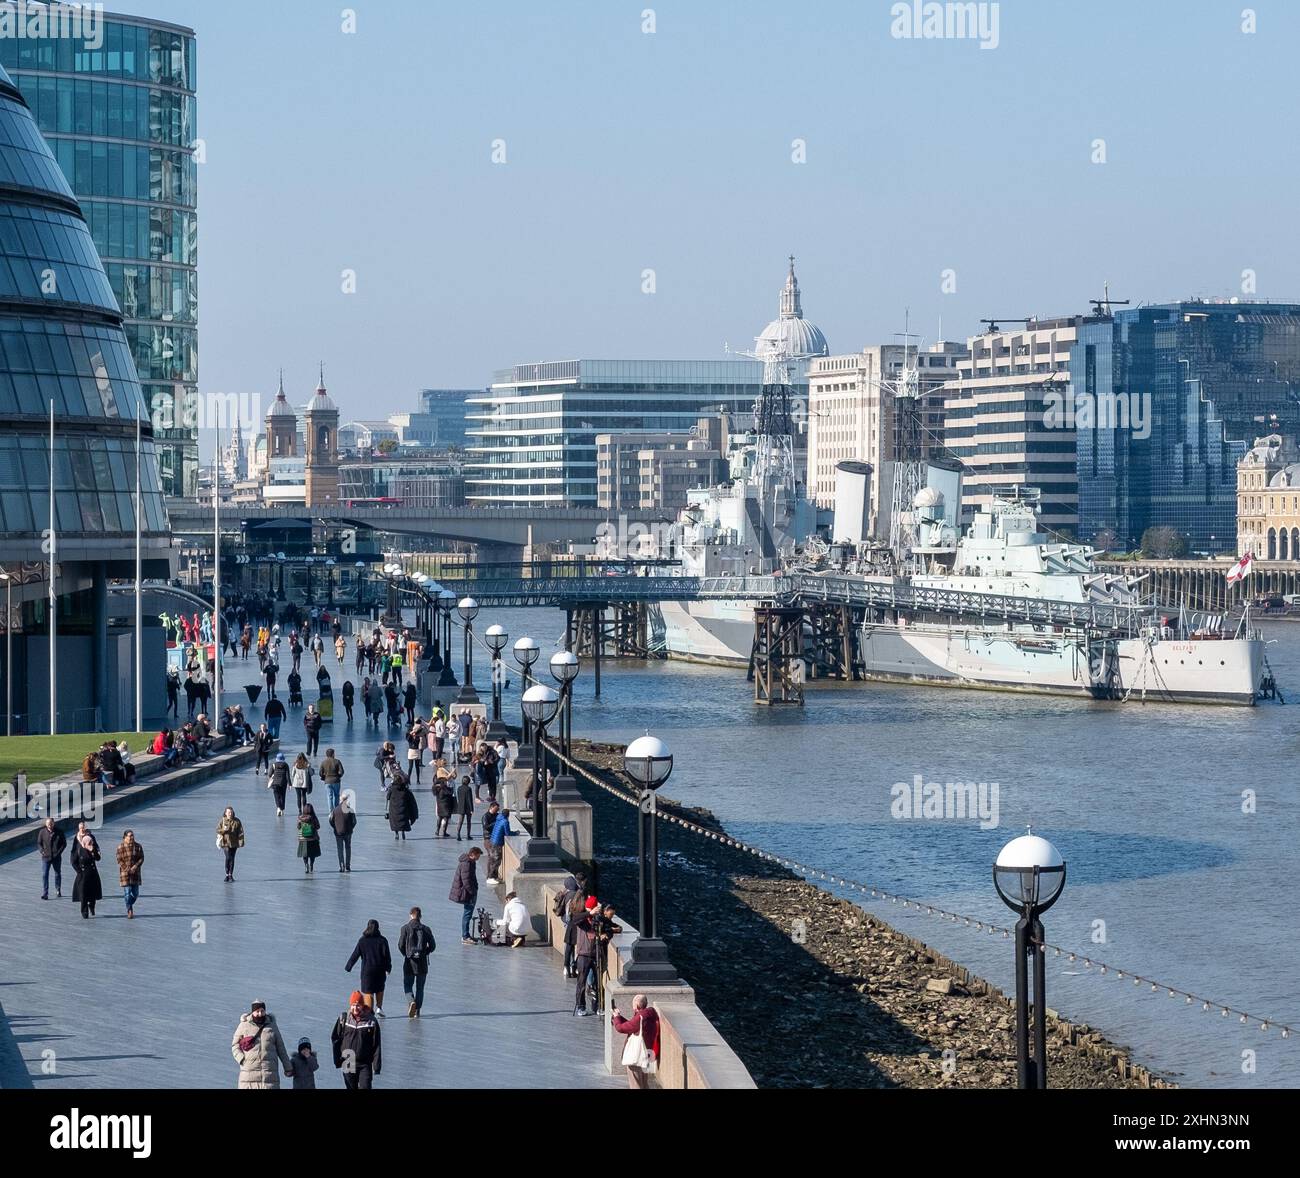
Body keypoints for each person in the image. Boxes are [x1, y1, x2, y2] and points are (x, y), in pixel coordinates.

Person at [231, 1000, 293, 1089]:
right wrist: (242, 1059)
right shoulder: (244, 1025)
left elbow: (281, 1047)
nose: (260, 1014)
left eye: (262, 1011)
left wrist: (288, 1067)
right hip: (248, 1076)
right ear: (253, 1012)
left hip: (269, 1075)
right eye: (257, 1011)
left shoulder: (272, 1026)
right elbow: (235, 1045)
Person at [331, 993, 382, 1090]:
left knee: (365, 1086)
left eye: (358, 1005)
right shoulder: (344, 1019)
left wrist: (376, 1066)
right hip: (348, 1059)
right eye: (353, 1005)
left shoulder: (371, 1021)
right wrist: (337, 1060)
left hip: (364, 1062)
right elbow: (335, 1039)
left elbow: (376, 1044)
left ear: (362, 1005)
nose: (355, 1008)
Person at [612, 995, 661, 1088]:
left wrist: (616, 1018)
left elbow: (621, 1028)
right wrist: (619, 1017)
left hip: (636, 1056)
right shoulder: (650, 1014)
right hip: (646, 1053)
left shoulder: (641, 1017)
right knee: (644, 1084)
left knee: (636, 1084)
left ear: (637, 1006)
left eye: (633, 1005)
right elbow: (632, 1026)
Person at [345, 919, 392, 1015]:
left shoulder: (362, 941)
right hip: (380, 970)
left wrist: (348, 966)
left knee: (368, 992)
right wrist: (388, 968)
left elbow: (355, 955)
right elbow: (387, 956)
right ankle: (379, 1007)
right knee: (379, 989)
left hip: (367, 971)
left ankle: (370, 1011)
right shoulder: (382, 940)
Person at [397, 906, 435, 1018]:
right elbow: (433, 946)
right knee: (420, 987)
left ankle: (411, 1001)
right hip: (422, 963)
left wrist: (406, 954)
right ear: (420, 916)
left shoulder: (405, 928)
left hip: (409, 962)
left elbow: (400, 945)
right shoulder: (426, 929)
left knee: (407, 985)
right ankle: (417, 1010)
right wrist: (425, 953)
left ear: (410, 915)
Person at [572, 896, 600, 1015]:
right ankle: (580, 1006)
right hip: (583, 954)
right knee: (581, 982)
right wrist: (589, 913)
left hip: (595, 954)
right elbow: (575, 919)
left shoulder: (597, 919)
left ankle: (597, 1006)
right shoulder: (583, 919)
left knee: (597, 983)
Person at [449, 846, 481, 945]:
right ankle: (465, 936)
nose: (479, 858)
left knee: (467, 914)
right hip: (467, 893)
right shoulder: (467, 864)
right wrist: (472, 892)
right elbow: (466, 880)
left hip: (468, 892)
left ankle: (466, 935)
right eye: (478, 855)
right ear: (473, 854)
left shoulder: (470, 862)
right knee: (467, 914)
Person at [116, 829, 144, 918]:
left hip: (135, 873)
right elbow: (119, 860)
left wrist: (135, 867)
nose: (131, 837)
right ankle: (129, 909)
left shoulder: (138, 846)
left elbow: (141, 858)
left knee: (135, 893)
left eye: (132, 835)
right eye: (130, 835)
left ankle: (129, 904)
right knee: (127, 893)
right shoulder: (120, 847)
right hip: (125, 874)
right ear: (125, 837)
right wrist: (127, 869)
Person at [37, 817, 66, 900]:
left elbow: (64, 844)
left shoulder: (59, 832)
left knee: (57, 873)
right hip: (46, 857)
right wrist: (42, 851)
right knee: (45, 874)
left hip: (56, 857)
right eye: (48, 823)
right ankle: (45, 893)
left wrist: (58, 853)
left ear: (54, 823)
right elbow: (39, 843)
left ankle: (58, 889)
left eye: (51, 823)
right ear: (46, 824)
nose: (50, 825)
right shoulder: (42, 832)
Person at [386, 773, 418, 840]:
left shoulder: (392, 789)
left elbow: (388, 797)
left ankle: (396, 834)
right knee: (403, 821)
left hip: (394, 809)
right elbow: (411, 800)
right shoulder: (405, 790)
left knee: (395, 821)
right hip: (403, 809)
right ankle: (403, 832)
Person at [217, 806, 245, 882]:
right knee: (228, 857)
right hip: (225, 842)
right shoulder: (222, 821)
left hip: (234, 843)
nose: (230, 813)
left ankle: (230, 875)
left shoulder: (237, 821)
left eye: (231, 812)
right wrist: (224, 830)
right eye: (228, 812)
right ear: (225, 813)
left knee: (232, 858)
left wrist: (241, 842)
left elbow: (240, 832)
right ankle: (226, 874)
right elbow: (218, 830)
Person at [330, 793, 356, 872]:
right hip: (348, 832)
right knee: (348, 848)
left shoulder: (335, 810)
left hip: (338, 832)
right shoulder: (350, 810)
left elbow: (331, 821)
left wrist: (335, 827)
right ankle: (348, 866)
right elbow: (354, 821)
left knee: (340, 849)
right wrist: (351, 828)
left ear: (341, 800)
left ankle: (341, 866)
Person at [486, 804, 509, 885]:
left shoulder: (498, 818)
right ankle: (490, 877)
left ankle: (492, 877)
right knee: (496, 861)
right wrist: (515, 833)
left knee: (492, 860)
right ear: (508, 815)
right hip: (497, 843)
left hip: (492, 841)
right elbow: (507, 833)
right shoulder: (505, 821)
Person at [297, 803, 322, 873]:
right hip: (312, 838)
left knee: (304, 854)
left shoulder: (300, 818)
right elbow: (318, 826)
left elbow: (298, 827)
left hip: (303, 839)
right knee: (312, 853)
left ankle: (306, 865)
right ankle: (311, 865)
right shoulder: (313, 818)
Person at [319, 747, 344, 812]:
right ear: (333, 754)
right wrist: (338, 776)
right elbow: (342, 772)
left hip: (327, 781)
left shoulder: (323, 762)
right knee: (336, 796)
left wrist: (324, 777)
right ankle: (337, 810)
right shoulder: (337, 761)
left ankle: (331, 812)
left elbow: (320, 773)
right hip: (336, 781)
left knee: (329, 797)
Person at [268, 752, 290, 816]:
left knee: (276, 796)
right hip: (283, 783)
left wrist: (273, 775)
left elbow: (269, 774)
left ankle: (278, 808)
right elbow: (287, 775)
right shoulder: (286, 765)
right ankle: (282, 809)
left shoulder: (273, 765)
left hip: (275, 783)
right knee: (283, 796)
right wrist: (290, 784)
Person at [433, 774, 455, 839]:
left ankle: (437, 831)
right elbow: (450, 792)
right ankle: (444, 832)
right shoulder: (444, 789)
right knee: (446, 819)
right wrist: (451, 787)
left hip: (440, 806)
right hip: (446, 806)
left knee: (439, 818)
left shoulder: (436, 789)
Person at [454, 774, 475, 842]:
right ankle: (468, 835)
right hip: (468, 807)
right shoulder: (469, 789)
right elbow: (469, 799)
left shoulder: (459, 788)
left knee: (460, 822)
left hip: (460, 806)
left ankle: (458, 834)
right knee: (469, 822)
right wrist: (471, 809)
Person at [405, 720, 425, 785]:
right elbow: (408, 739)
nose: (414, 733)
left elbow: (420, 732)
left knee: (417, 767)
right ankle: (408, 779)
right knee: (410, 767)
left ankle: (418, 779)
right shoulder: (409, 737)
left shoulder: (417, 737)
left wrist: (416, 732)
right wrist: (411, 734)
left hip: (416, 751)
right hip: (411, 752)